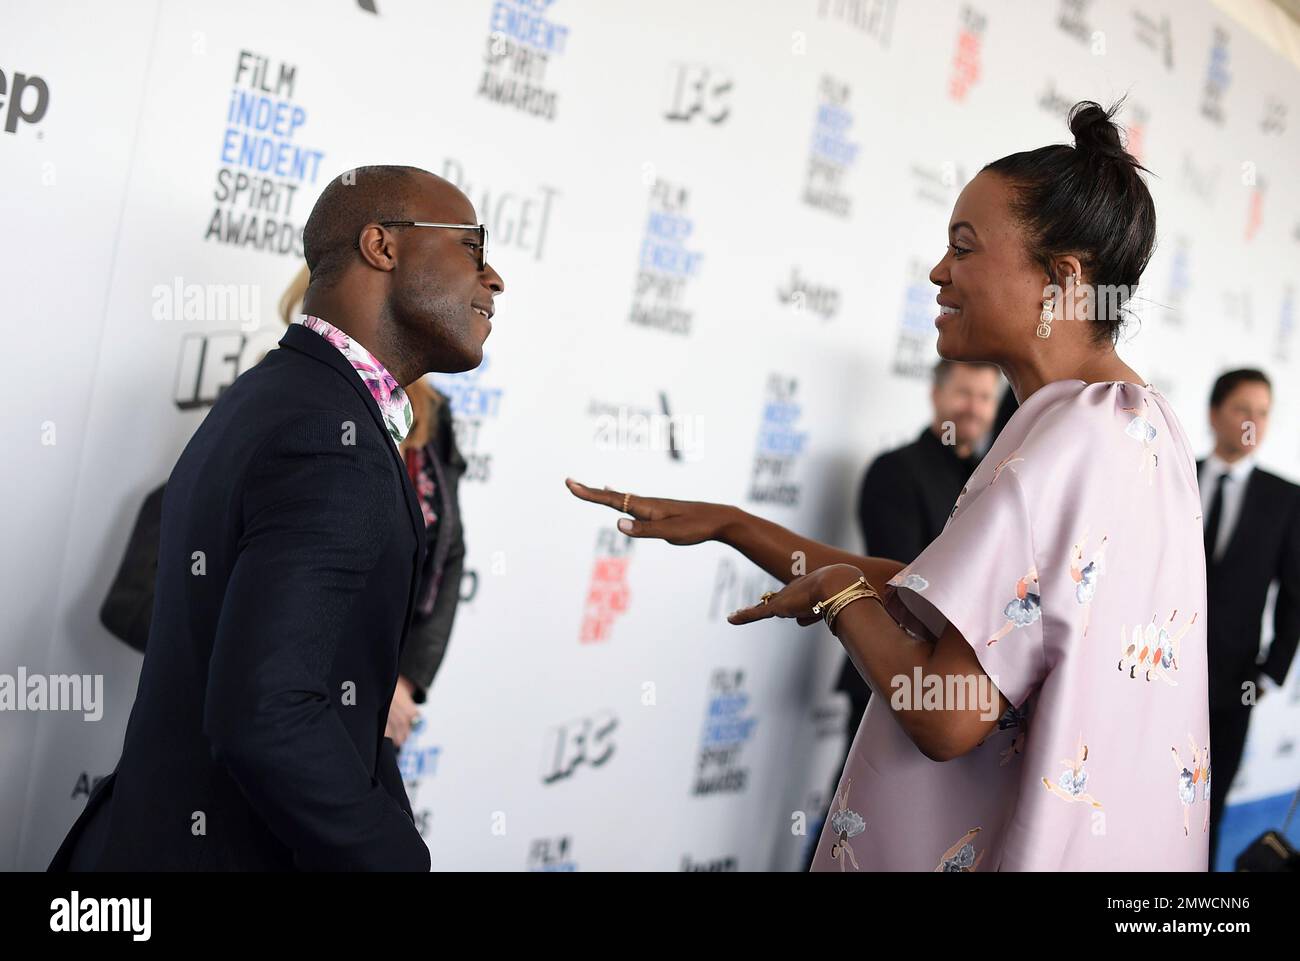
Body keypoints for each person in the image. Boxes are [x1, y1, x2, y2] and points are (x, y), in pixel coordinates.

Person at [568, 101, 1210, 870]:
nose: (938, 272)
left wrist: (841, 599)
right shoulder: (1136, 421)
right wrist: (736, 525)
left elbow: (949, 714)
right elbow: (972, 612)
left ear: (1061, 280)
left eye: (964, 248)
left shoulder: (1070, 437)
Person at [49, 164, 504, 871]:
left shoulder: (274, 395)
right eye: (472, 247)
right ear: (381, 246)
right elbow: (268, 713)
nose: (494, 277)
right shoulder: (330, 434)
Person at [96, 264, 470, 749]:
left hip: (364, 730)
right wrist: (313, 682)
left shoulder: (432, 421)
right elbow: (147, 591)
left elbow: (448, 553)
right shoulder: (278, 398)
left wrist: (400, 683)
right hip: (257, 734)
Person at [837, 360, 998, 733]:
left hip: (951, 687)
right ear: (936, 394)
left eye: (985, 397)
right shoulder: (895, 470)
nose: (974, 407)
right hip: (886, 671)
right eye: (963, 393)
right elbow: (898, 581)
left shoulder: (988, 484)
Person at [1196, 368, 1300, 868]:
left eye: (1262, 413)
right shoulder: (1173, 477)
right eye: (1242, 409)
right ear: (1215, 414)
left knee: (1208, 804)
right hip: (1154, 669)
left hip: (1233, 684)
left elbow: (1296, 594)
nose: (1252, 422)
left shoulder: (1286, 498)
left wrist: (1269, 671)